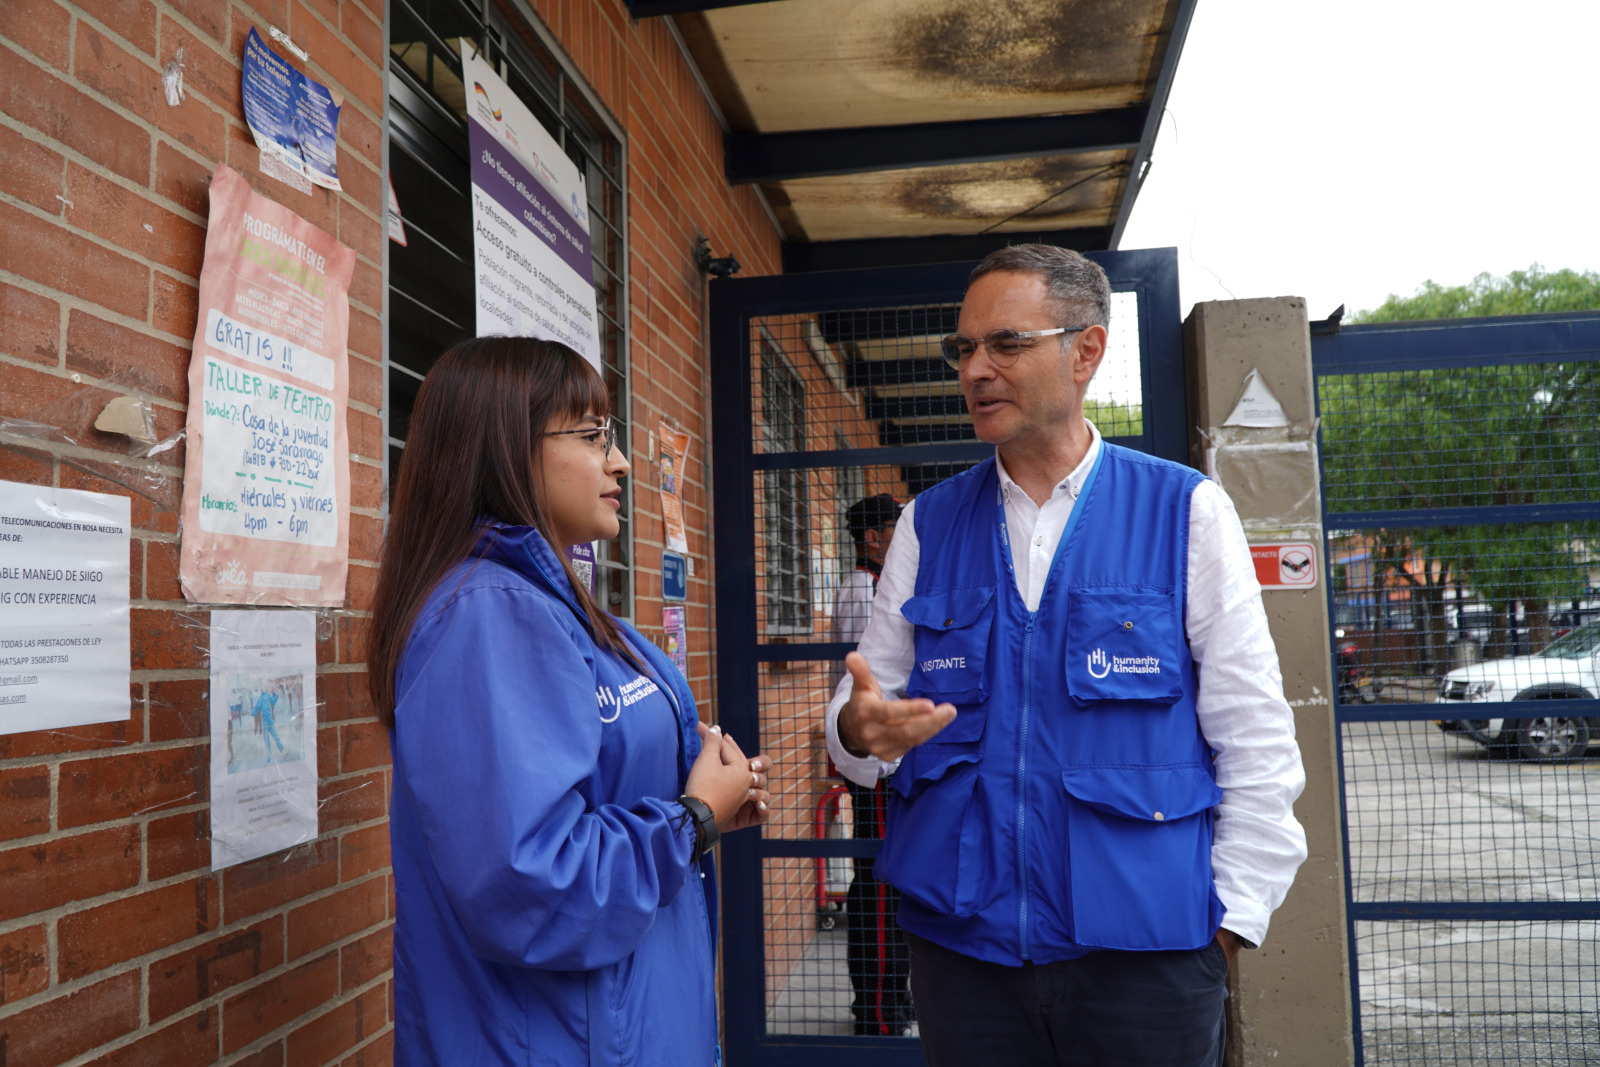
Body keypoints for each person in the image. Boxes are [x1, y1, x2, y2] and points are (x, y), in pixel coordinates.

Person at [825, 244, 1308, 1066]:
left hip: (1147, 967)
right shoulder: (926, 526)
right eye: (963, 348)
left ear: (1086, 350)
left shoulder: (1185, 511)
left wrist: (1224, 928)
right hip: (964, 960)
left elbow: (1255, 739)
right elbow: (856, 727)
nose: (976, 367)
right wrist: (860, 732)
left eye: (1006, 343)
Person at [368, 337, 772, 1065]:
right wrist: (690, 819)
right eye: (591, 436)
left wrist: (709, 805)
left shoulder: (559, 604)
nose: (619, 462)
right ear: (504, 449)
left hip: (624, 1020)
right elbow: (532, 882)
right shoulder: (486, 615)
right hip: (561, 1039)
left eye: (610, 436)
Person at [830, 493, 913, 1036]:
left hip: (879, 754)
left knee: (883, 879)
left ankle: (889, 1002)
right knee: (879, 883)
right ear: (873, 538)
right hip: (873, 758)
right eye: (892, 527)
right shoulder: (864, 589)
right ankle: (878, 1012)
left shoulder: (872, 584)